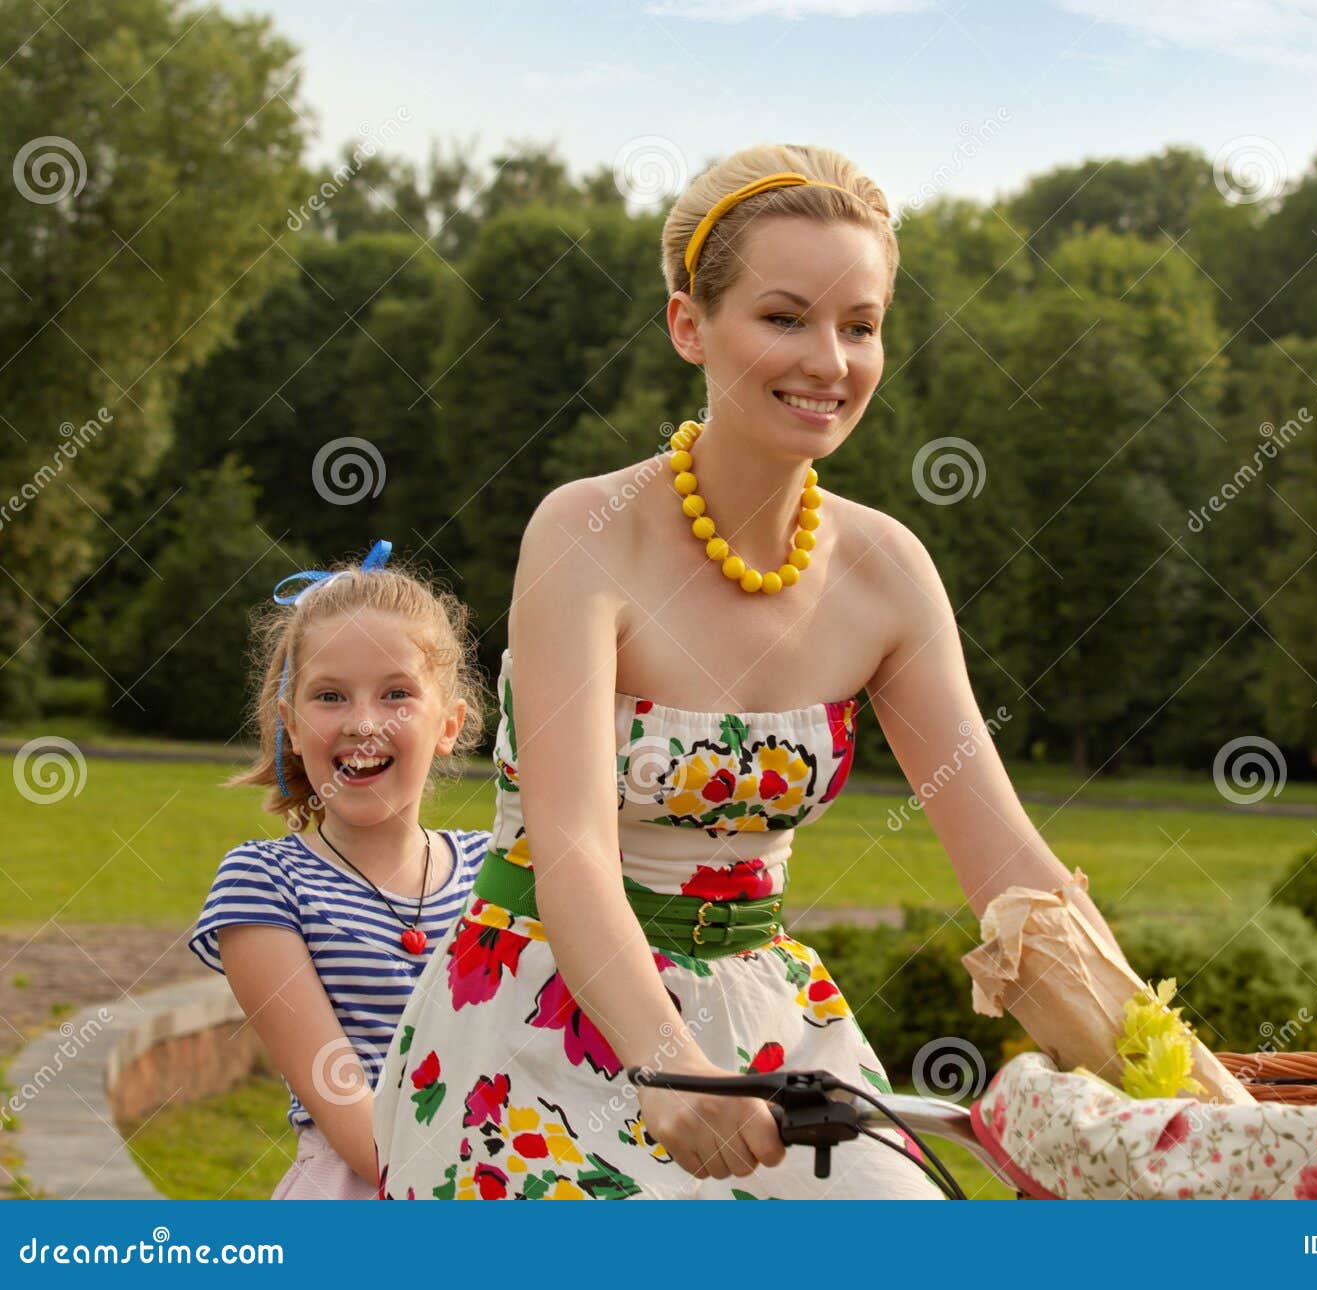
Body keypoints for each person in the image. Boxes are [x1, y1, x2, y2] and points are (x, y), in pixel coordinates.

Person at [371, 142, 1124, 1200]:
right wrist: (667, 1066)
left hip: (767, 1022)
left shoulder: (887, 570)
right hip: (540, 1013)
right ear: (690, 326)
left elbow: (1012, 874)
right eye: (784, 318)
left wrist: (1182, 1089)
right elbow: (573, 848)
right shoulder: (585, 532)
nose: (829, 361)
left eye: (859, 326)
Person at [189, 540, 490, 1198]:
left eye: (396, 694)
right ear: (292, 726)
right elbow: (359, 1128)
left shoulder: (494, 872)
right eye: (330, 696)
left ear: (448, 724)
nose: (363, 723)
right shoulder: (265, 885)